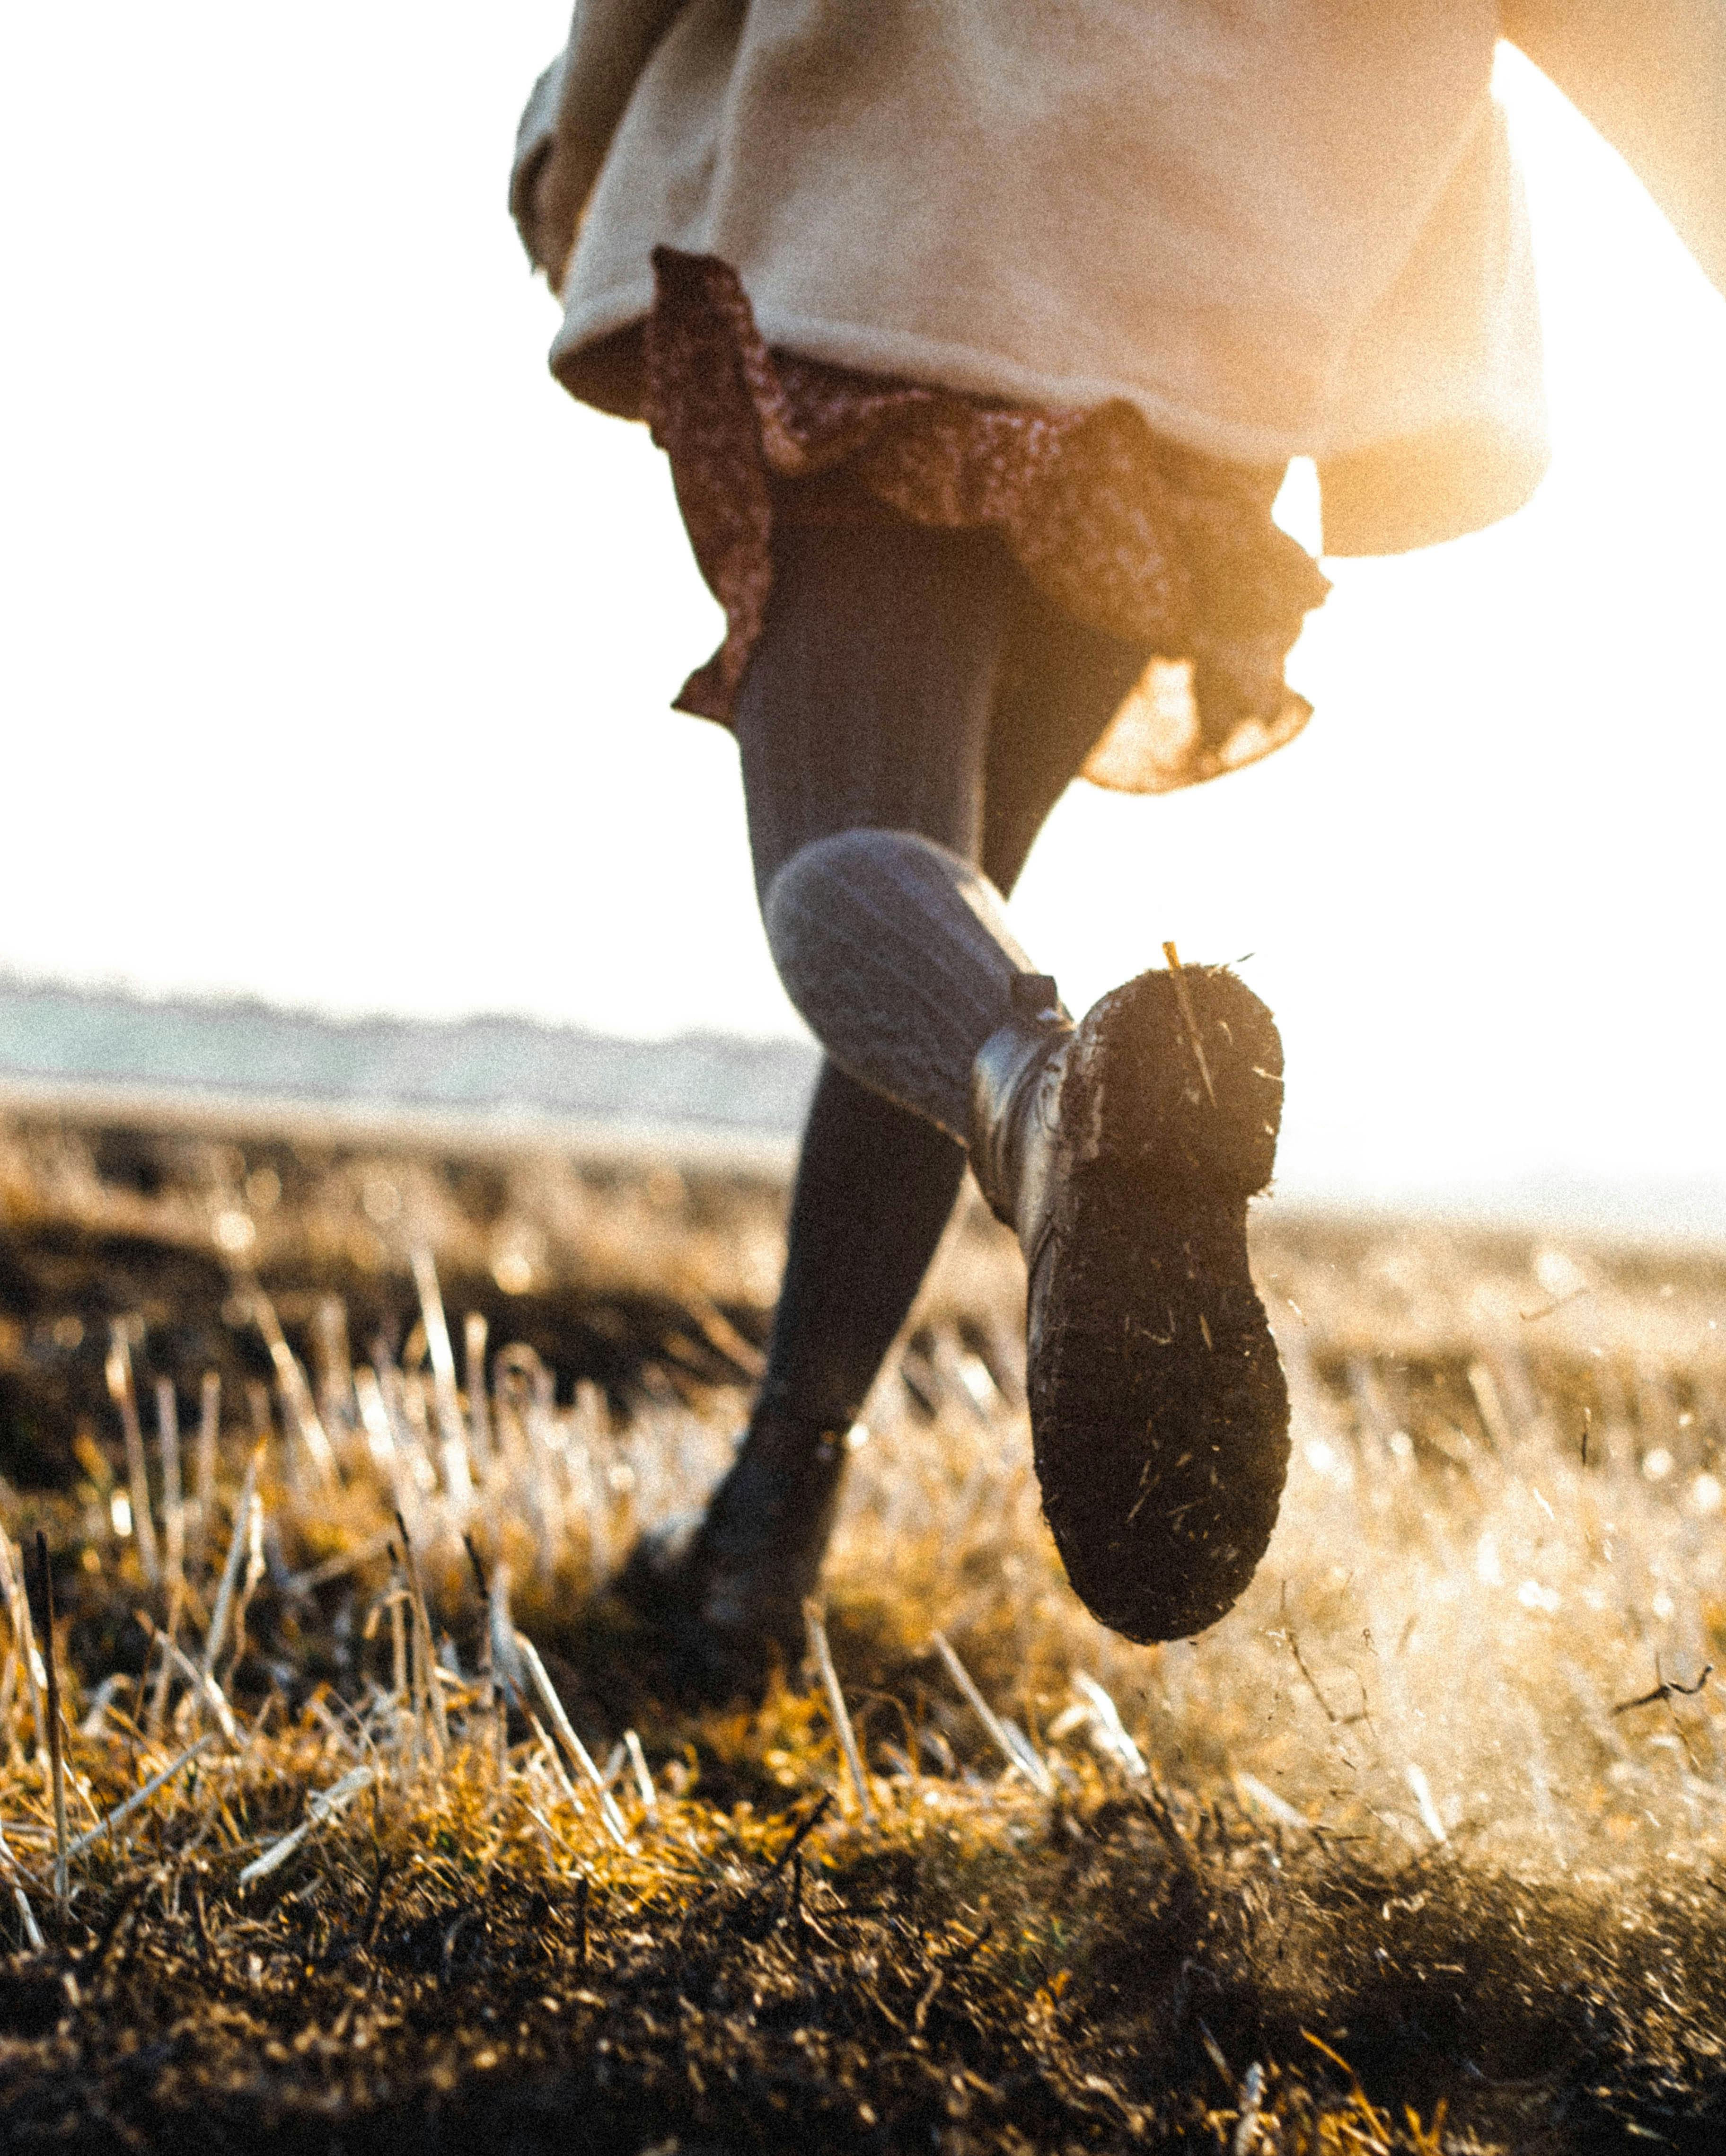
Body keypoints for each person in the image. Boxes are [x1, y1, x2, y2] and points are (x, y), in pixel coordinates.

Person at [511, 2, 1725, 1694]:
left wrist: (577, 129)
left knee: (863, 864)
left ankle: (1058, 1122)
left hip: (906, 242)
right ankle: (758, 1536)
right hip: (1198, 337)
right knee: (956, 939)